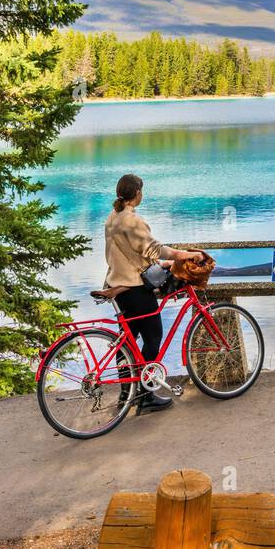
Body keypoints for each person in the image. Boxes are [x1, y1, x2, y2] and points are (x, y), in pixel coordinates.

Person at [103, 173, 203, 415]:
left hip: (117, 285)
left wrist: (157, 262)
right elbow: (155, 248)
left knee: (127, 343)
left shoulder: (112, 217)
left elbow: (135, 252)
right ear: (137, 193)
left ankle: (127, 394)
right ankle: (146, 396)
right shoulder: (131, 220)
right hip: (135, 288)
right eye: (141, 190)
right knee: (153, 337)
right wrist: (184, 255)